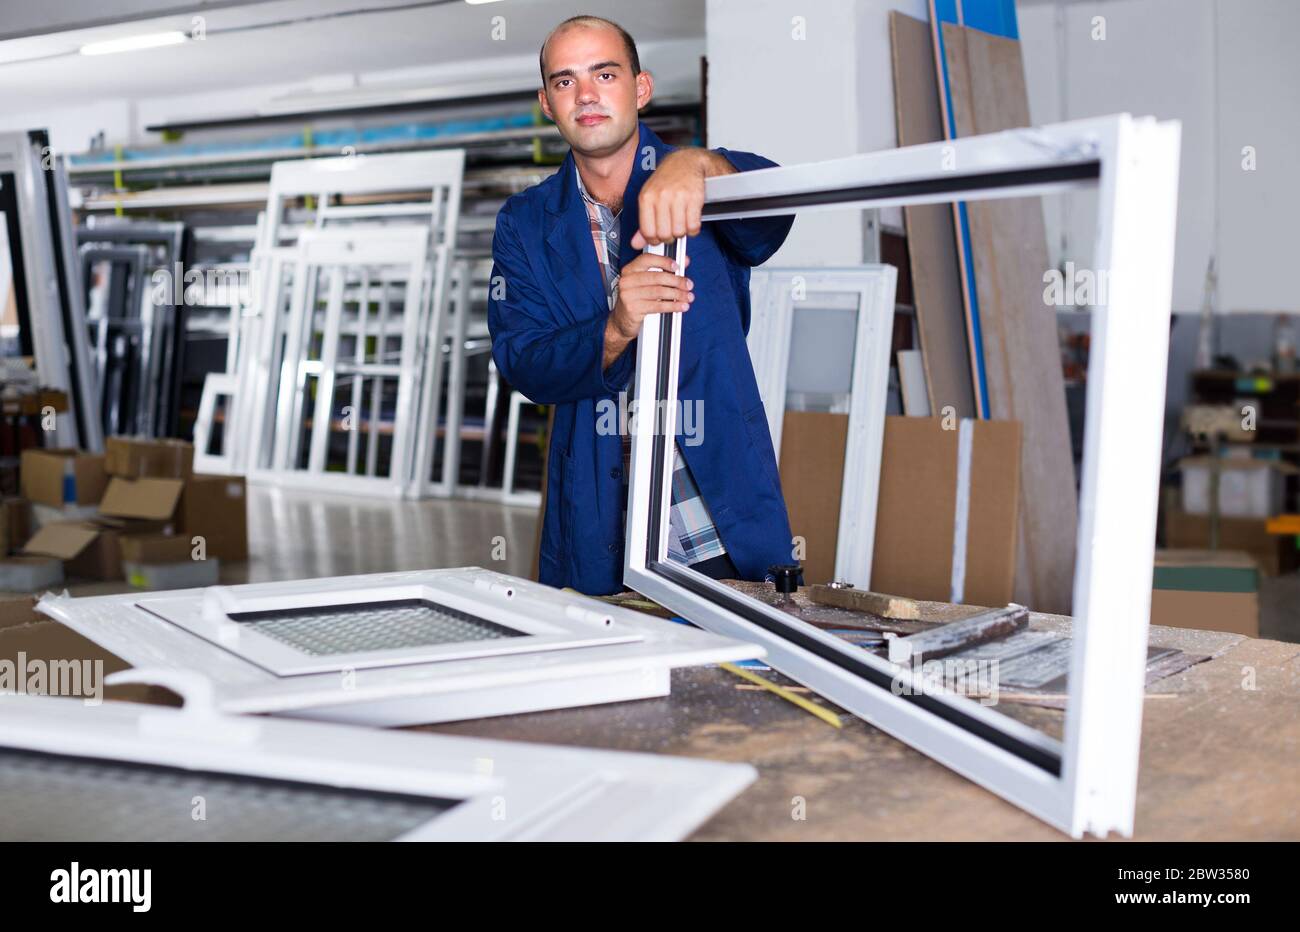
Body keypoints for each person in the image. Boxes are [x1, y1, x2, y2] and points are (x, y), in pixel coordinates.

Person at [489, 15, 795, 595]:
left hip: (714, 505)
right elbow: (523, 360)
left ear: (641, 88)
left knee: (737, 668)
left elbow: (772, 214)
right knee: (609, 673)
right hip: (604, 508)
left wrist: (700, 163)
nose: (586, 95)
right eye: (564, 81)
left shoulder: (699, 183)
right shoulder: (524, 223)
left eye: (604, 73)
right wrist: (615, 327)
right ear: (547, 104)